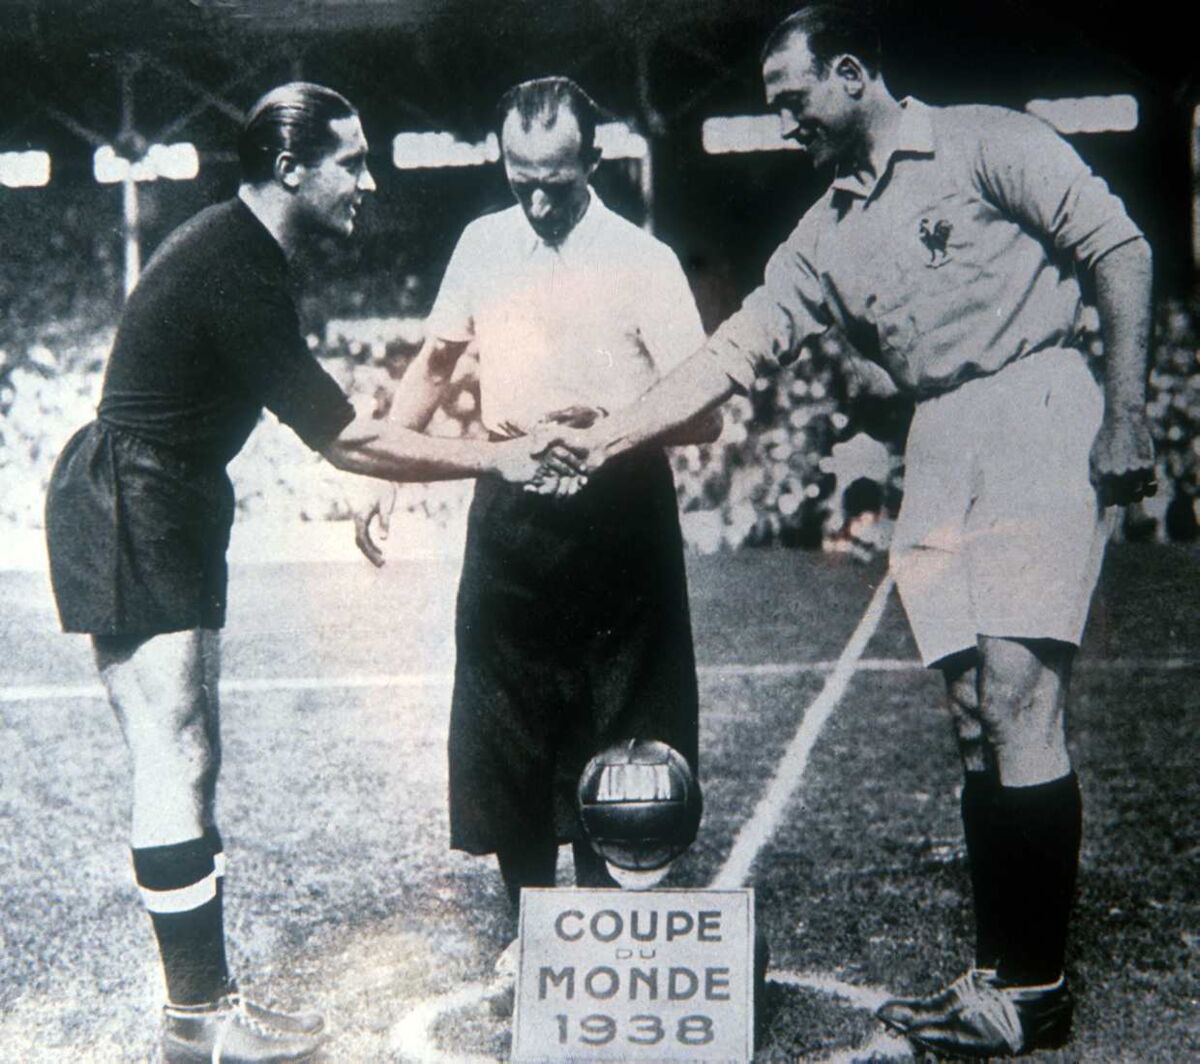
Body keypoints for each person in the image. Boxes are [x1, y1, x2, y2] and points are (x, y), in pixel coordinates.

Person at [535, 7, 1156, 1058]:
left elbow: (1120, 247)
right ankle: (1001, 971)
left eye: (793, 100)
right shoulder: (826, 229)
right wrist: (607, 436)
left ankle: (1038, 991)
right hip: (940, 438)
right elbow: (734, 349)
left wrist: (1130, 409)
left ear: (854, 74)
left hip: (1042, 402)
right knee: (971, 712)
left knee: (1018, 690)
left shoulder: (985, 141)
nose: (786, 124)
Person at [44, 82, 546, 1064]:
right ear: (290, 169)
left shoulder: (250, 252)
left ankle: (207, 1002)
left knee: (194, 755)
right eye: (351, 161)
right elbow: (345, 437)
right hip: (134, 492)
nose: (367, 180)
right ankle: (196, 1017)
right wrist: (498, 454)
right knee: (171, 750)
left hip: (172, 492)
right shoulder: (236, 260)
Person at [354, 77, 720, 951]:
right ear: (504, 162)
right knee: (505, 716)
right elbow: (437, 367)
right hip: (512, 500)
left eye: (558, 177)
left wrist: (609, 429)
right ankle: (532, 917)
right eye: (522, 176)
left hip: (620, 501)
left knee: (624, 717)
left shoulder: (643, 258)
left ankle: (605, 908)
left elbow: (703, 410)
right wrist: (387, 473)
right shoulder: (482, 244)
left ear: (593, 160)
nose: (540, 197)